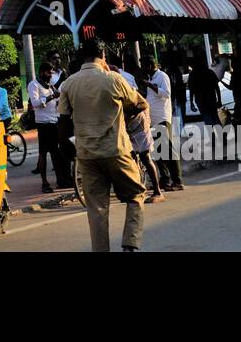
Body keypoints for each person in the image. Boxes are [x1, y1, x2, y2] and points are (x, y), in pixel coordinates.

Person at [58, 38, 148, 252]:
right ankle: (130, 243)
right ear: (103, 56)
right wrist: (124, 118)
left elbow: (62, 121)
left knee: (97, 209)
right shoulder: (113, 79)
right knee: (136, 195)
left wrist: (65, 148)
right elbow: (140, 104)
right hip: (116, 149)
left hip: (87, 154)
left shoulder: (69, 84)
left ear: (82, 57)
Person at [119, 68, 164, 203]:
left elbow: (143, 105)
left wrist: (128, 115)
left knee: (145, 156)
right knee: (129, 156)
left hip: (139, 122)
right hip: (126, 125)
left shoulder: (130, 92)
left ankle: (157, 191)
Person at [141, 55, 183, 192]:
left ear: (150, 65)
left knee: (169, 150)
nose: (143, 69)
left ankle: (177, 181)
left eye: (145, 65)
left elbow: (166, 93)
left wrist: (150, 86)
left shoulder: (162, 76)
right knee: (159, 152)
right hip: (153, 119)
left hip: (163, 118)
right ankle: (164, 180)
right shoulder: (151, 79)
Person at [29, 62, 70, 194]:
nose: (50, 75)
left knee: (56, 153)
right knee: (43, 153)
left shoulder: (50, 86)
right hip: (43, 123)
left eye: (52, 72)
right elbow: (35, 103)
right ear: (42, 72)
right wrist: (51, 96)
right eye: (48, 72)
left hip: (54, 122)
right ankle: (44, 182)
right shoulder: (34, 85)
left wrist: (56, 97)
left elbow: (56, 100)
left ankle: (60, 181)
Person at [187, 54, 221, 126]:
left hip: (201, 101)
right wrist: (219, 100)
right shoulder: (209, 72)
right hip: (211, 99)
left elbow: (191, 90)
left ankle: (213, 136)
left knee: (207, 119)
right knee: (215, 117)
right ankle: (222, 136)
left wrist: (191, 103)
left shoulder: (193, 74)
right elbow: (217, 87)